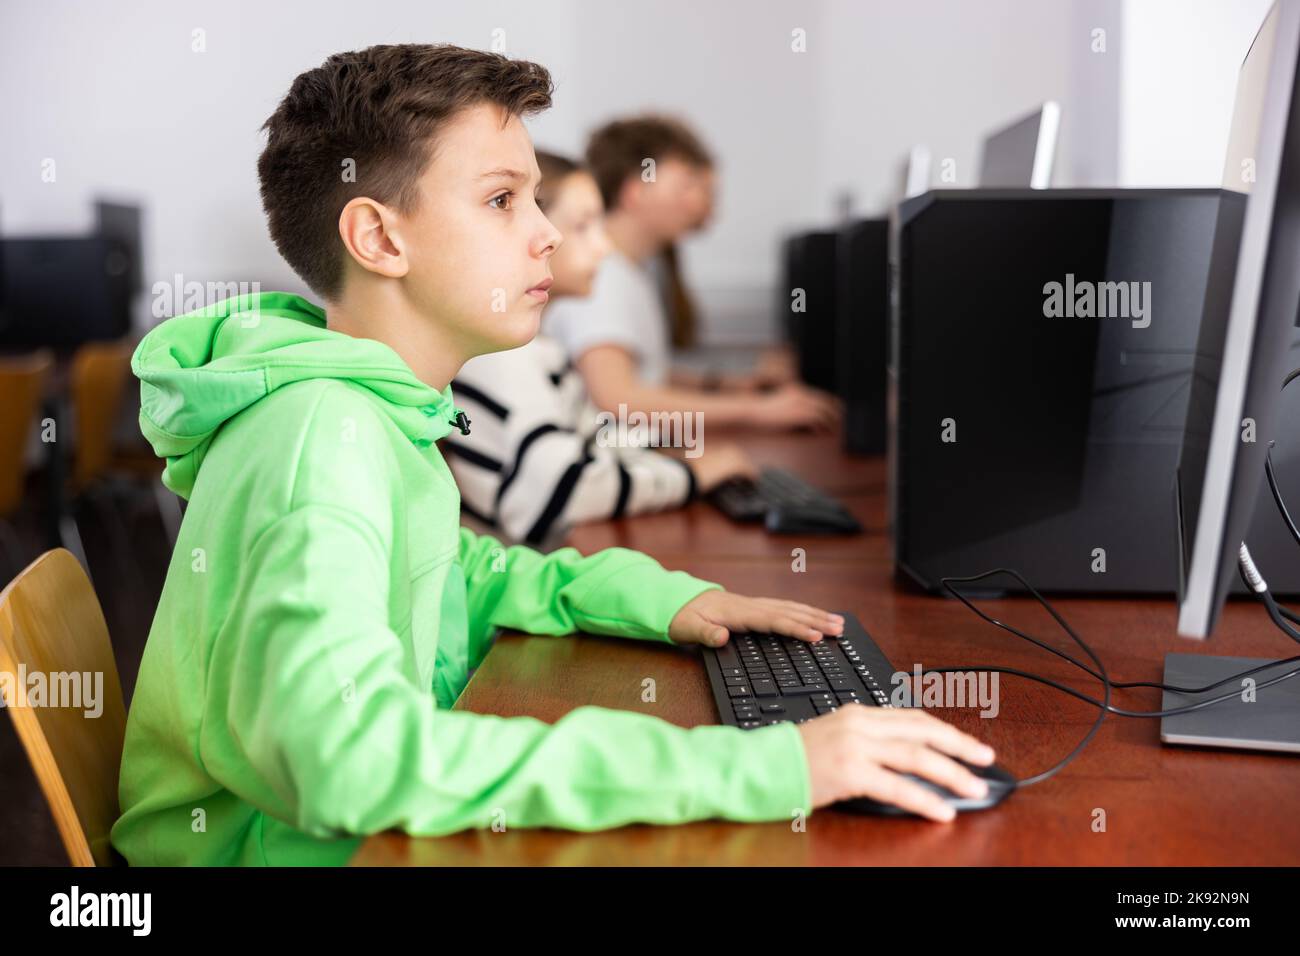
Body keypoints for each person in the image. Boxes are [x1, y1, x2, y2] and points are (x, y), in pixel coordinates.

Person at [112, 45, 998, 867]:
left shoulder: (367, 407)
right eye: (503, 200)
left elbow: (459, 570)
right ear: (379, 239)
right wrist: (766, 766)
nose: (544, 233)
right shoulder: (318, 440)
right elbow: (350, 763)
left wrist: (668, 600)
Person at [447, 150, 756, 546]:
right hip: (526, 577)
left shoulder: (540, 349)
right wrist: (688, 476)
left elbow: (592, 439)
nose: (604, 248)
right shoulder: (500, 354)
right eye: (582, 227)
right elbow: (560, 491)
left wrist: (675, 452)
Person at [544, 114, 838, 430]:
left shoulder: (630, 272)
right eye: (689, 183)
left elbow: (643, 373)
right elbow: (617, 399)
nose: (704, 198)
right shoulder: (602, 277)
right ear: (635, 192)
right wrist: (755, 411)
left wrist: (724, 386)